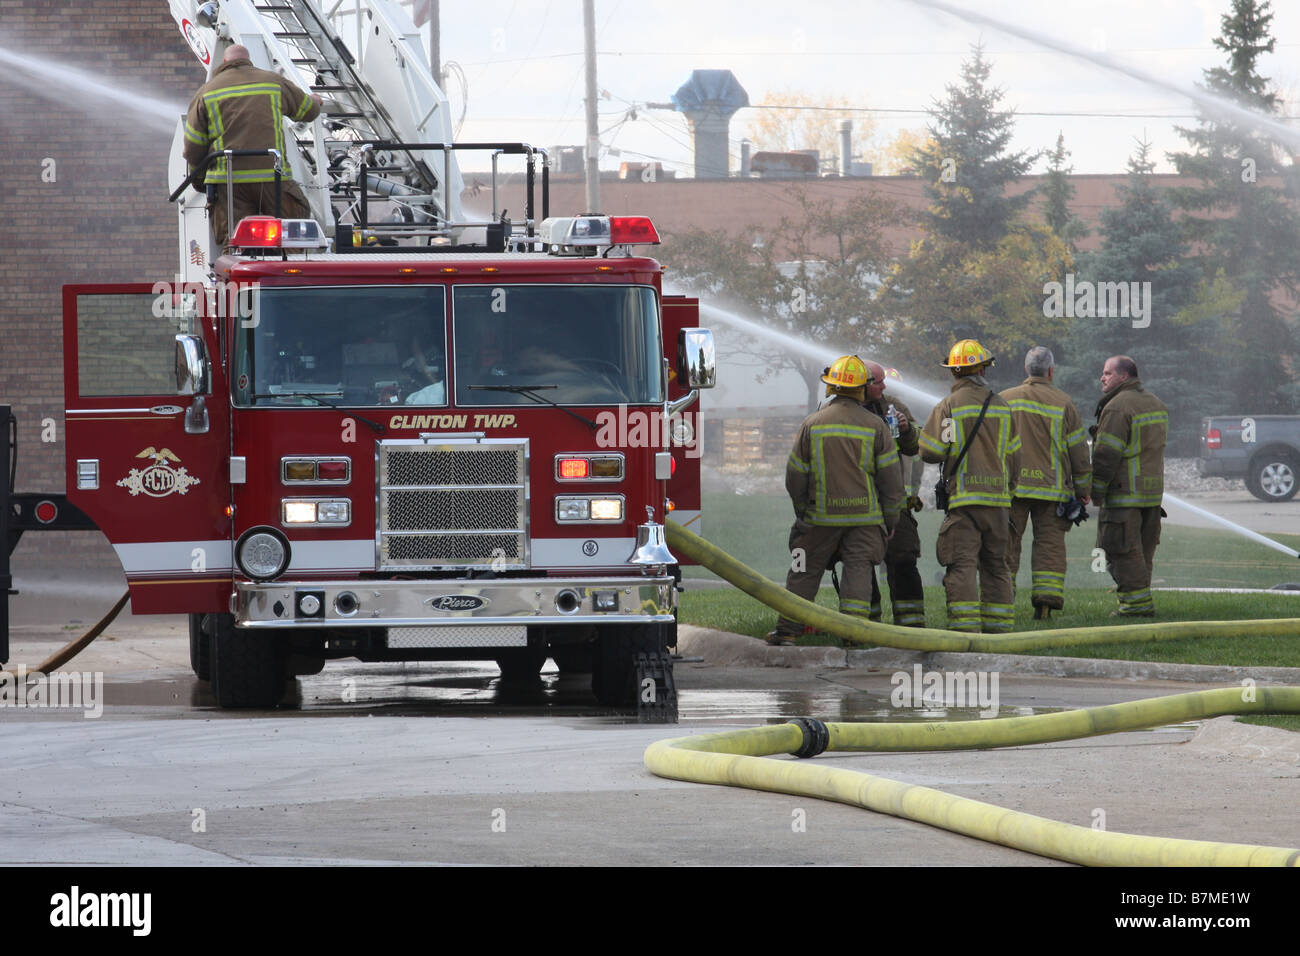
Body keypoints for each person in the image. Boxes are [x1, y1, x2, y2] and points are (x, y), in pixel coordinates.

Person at [767, 355, 904, 645]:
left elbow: (795, 477)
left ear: (831, 387)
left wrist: (804, 513)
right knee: (859, 571)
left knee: (802, 569)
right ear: (862, 389)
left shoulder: (812, 424)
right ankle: (852, 635)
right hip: (865, 520)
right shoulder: (876, 426)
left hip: (819, 518)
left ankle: (788, 631)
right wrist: (889, 520)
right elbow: (891, 483)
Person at [918, 339, 1021, 634]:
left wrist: (922, 435)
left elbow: (932, 451)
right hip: (999, 503)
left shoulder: (949, 406)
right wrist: (1007, 492)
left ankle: (965, 629)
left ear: (954, 373)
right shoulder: (1002, 406)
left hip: (964, 503)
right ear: (983, 371)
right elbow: (1015, 456)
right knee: (997, 566)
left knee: (962, 565)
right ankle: (999, 630)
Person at [183, 44, 322, 246]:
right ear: (248, 61)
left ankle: (240, 275)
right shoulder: (273, 82)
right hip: (272, 179)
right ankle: (289, 273)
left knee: (235, 244)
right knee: (290, 237)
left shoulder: (206, 92)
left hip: (228, 184)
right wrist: (315, 101)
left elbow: (193, 147)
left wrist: (199, 179)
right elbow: (307, 111)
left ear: (224, 63)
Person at [1000, 346, 1092, 619]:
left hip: (1013, 488)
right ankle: (1045, 605)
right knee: (1050, 546)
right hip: (1053, 490)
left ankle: (1002, 602)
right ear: (1051, 371)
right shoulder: (1064, 402)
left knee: (1006, 544)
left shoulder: (1006, 399)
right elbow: (1079, 451)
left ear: (1026, 369)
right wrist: (1084, 489)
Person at [1091, 355, 1168, 617]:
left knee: (1121, 549)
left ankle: (1136, 606)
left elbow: (1106, 455)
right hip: (1151, 495)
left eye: (1107, 373)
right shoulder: (1155, 403)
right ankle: (1140, 600)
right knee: (1142, 552)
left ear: (1124, 377)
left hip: (1124, 493)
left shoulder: (1117, 407)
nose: (1102, 378)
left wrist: (1097, 490)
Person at [861, 360, 927, 627]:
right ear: (862, 384)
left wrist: (907, 429)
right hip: (860, 502)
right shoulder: (841, 410)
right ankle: (867, 624)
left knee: (903, 558)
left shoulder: (894, 406)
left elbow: (916, 447)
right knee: (860, 564)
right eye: (878, 381)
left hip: (894, 500)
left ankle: (911, 624)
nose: (884, 385)